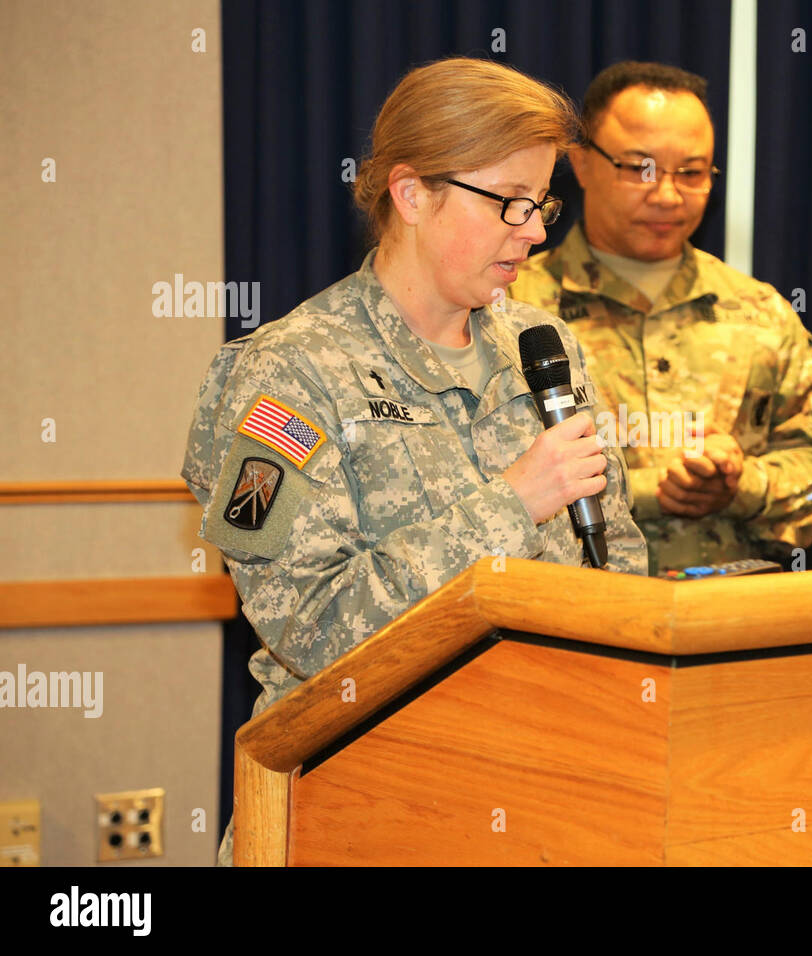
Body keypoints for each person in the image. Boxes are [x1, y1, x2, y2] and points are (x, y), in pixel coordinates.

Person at [181, 58, 647, 865]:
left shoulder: (546, 349)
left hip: (542, 795)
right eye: (510, 202)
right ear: (412, 194)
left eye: (542, 204)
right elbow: (307, 625)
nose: (536, 231)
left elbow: (618, 558)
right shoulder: (287, 374)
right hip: (357, 806)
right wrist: (509, 504)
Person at [510, 61, 812, 575]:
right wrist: (650, 490)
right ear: (580, 164)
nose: (668, 194)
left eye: (691, 173)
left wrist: (740, 485)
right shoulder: (513, 307)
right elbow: (473, 489)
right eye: (640, 168)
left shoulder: (760, 313)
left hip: (728, 626)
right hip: (572, 624)